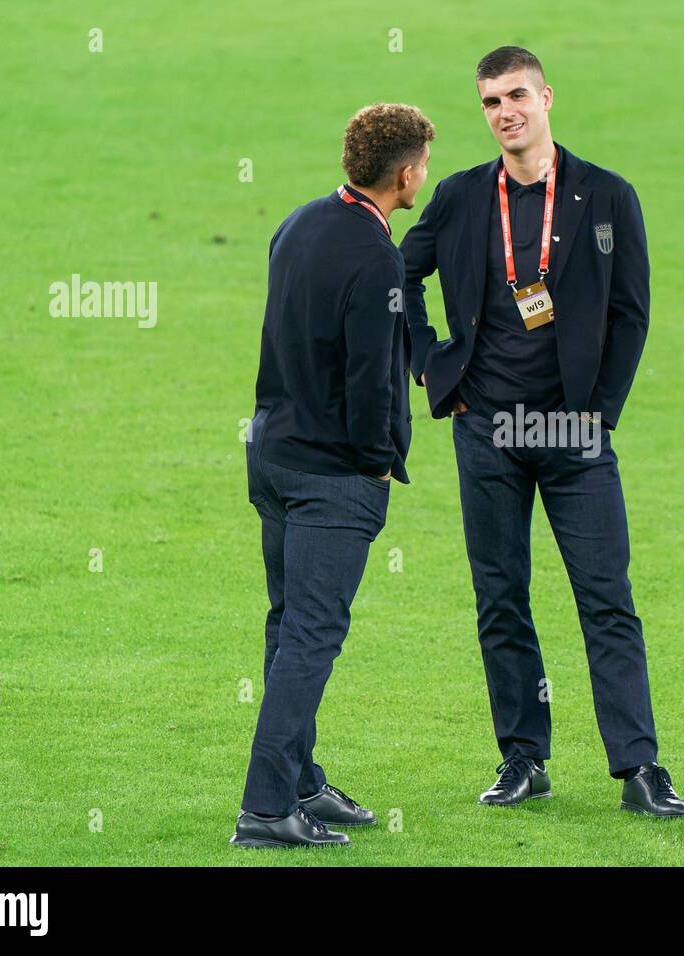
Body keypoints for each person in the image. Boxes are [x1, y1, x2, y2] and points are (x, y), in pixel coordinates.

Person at [400, 46, 684, 816]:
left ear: (547, 96)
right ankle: (523, 758)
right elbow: (396, 275)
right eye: (492, 102)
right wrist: (427, 362)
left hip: (574, 432)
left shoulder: (605, 195)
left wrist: (601, 409)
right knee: (501, 597)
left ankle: (639, 769)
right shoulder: (463, 197)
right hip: (485, 427)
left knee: (607, 599)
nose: (505, 113)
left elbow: (633, 312)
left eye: (517, 95)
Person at [231, 103, 433, 848]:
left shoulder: (298, 223)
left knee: (288, 625)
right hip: (332, 476)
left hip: (273, 454)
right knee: (312, 636)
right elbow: (372, 378)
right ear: (405, 173)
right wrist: (378, 466)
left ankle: (302, 781)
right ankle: (263, 809)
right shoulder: (379, 257)